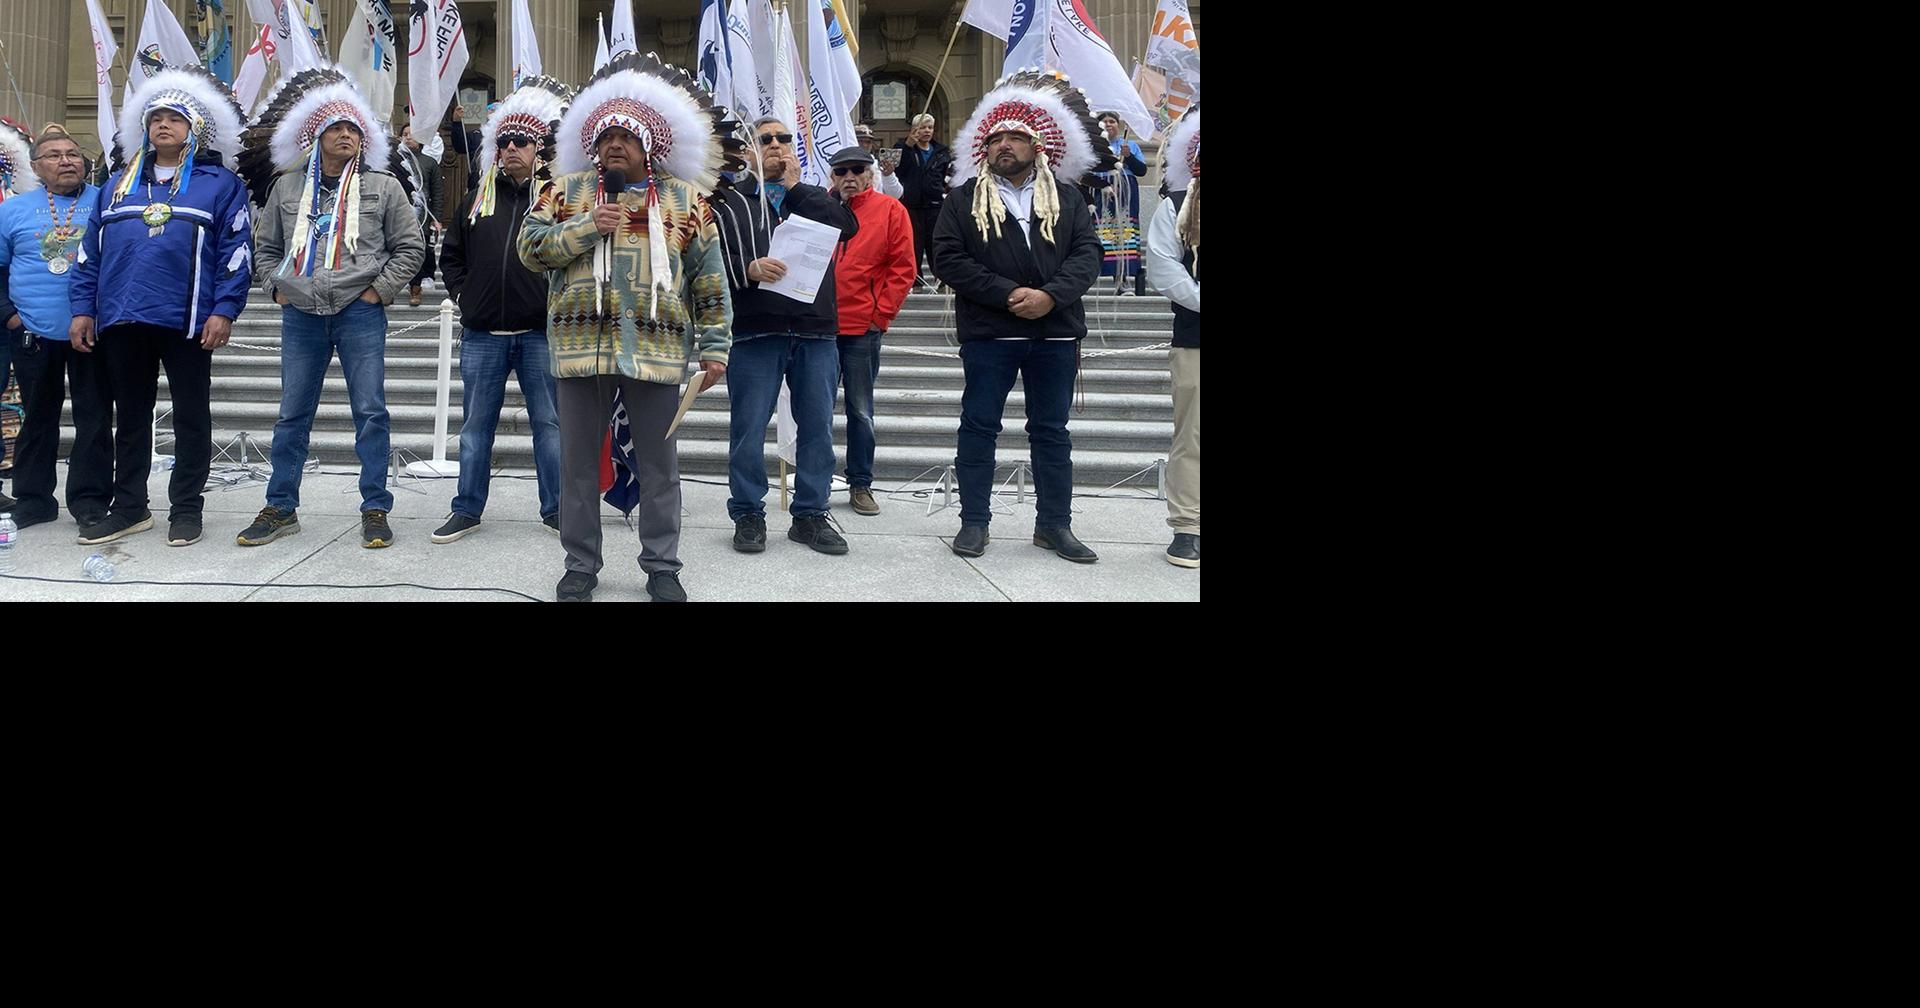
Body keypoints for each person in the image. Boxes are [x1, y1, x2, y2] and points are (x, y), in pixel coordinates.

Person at [518, 53, 736, 603]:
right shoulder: (562, 192)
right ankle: (580, 565)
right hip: (578, 349)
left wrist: (716, 348)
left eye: (628, 136)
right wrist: (588, 226)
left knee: (661, 467)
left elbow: (709, 281)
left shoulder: (689, 202)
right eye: (607, 135)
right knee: (577, 467)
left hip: (657, 350)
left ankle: (662, 564)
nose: (615, 144)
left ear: (651, 146)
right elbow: (529, 250)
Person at [237, 67, 424, 549]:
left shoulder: (383, 187)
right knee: (292, 413)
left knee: (371, 411)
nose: (345, 135)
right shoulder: (287, 187)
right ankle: (280, 506)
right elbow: (265, 249)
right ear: (317, 136)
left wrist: (377, 292)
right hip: (301, 314)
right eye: (335, 128)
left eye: (353, 129)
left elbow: (410, 249)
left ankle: (375, 508)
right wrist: (277, 288)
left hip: (359, 311)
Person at [68, 68, 253, 548]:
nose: (163, 125)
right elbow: (90, 252)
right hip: (123, 317)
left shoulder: (218, 184)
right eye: (156, 118)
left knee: (192, 414)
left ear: (194, 128)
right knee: (130, 416)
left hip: (188, 319)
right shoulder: (117, 185)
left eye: (175, 118)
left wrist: (224, 310)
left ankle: (187, 510)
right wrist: (83, 310)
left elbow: (236, 253)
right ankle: (129, 507)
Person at [930, 70, 1109, 564]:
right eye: (996, 138)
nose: (1004, 145)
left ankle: (1054, 525)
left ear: (1038, 145)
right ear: (983, 148)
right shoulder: (963, 199)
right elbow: (948, 257)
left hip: (1054, 333)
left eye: (1015, 137)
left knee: (1051, 431)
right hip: (991, 332)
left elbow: (1087, 254)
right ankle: (973, 522)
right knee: (979, 425)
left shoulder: (1068, 197)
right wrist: (1010, 294)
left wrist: (1051, 297)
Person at [707, 116, 858, 556]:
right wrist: (748, 269)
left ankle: (810, 514)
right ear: (749, 150)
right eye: (765, 139)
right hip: (757, 329)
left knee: (816, 429)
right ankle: (748, 512)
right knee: (748, 429)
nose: (775, 145)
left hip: (815, 331)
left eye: (783, 138)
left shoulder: (812, 197)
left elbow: (847, 228)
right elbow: (712, 254)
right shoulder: (730, 200)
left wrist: (796, 190)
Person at [431, 77, 573, 546]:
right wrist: (464, 294)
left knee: (549, 428)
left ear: (538, 149)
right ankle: (467, 509)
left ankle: (556, 510)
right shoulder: (475, 200)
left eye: (523, 142)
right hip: (482, 333)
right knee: (475, 428)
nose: (512, 148)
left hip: (538, 334)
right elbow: (450, 255)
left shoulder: (557, 203)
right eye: (506, 141)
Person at [0, 124, 112, 527]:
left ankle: (90, 500)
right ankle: (33, 499)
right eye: (54, 155)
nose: (66, 161)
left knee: (94, 417)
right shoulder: (11, 210)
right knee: (37, 417)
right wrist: (10, 316)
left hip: (93, 333)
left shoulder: (107, 201)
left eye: (72, 154)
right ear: (35, 167)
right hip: (32, 332)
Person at [826, 145, 914, 516]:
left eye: (857, 170)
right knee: (813, 410)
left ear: (869, 173)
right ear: (832, 176)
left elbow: (903, 267)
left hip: (863, 327)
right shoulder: (818, 207)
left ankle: (861, 483)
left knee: (860, 410)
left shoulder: (891, 210)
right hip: (819, 327)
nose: (849, 177)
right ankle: (814, 480)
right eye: (841, 171)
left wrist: (881, 315)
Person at [1144, 108, 1199, 569]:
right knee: (1194, 438)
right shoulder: (1176, 201)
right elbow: (1164, 267)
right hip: (1197, 339)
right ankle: (1188, 526)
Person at [1092, 111, 1147, 296]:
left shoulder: (1129, 145)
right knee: (1099, 234)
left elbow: (1141, 171)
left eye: (1112, 121)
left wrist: (1129, 156)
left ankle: (1123, 280)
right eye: (1104, 122)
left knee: (1124, 235)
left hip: (1125, 193)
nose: (1108, 124)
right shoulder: (1093, 147)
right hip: (1100, 191)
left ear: (1118, 125)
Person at [893, 112, 949, 278]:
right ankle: (915, 279)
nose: (927, 131)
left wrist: (942, 191)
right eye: (922, 127)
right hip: (911, 205)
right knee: (914, 244)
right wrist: (908, 147)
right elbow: (896, 169)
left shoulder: (941, 151)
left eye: (930, 127)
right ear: (914, 129)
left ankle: (941, 278)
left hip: (935, 205)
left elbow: (948, 174)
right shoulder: (902, 147)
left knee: (936, 243)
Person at [398, 124, 444, 306]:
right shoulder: (396, 161)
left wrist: (437, 217)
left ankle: (417, 286)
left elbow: (437, 192)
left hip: (423, 214)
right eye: (405, 134)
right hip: (400, 212)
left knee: (424, 248)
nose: (408, 137)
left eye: (412, 134)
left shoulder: (429, 162)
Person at [855, 123, 903, 200]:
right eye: (860, 141)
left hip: (876, 209)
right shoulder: (842, 166)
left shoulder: (879, 166)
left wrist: (888, 176)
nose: (864, 145)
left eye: (868, 142)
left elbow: (896, 195)